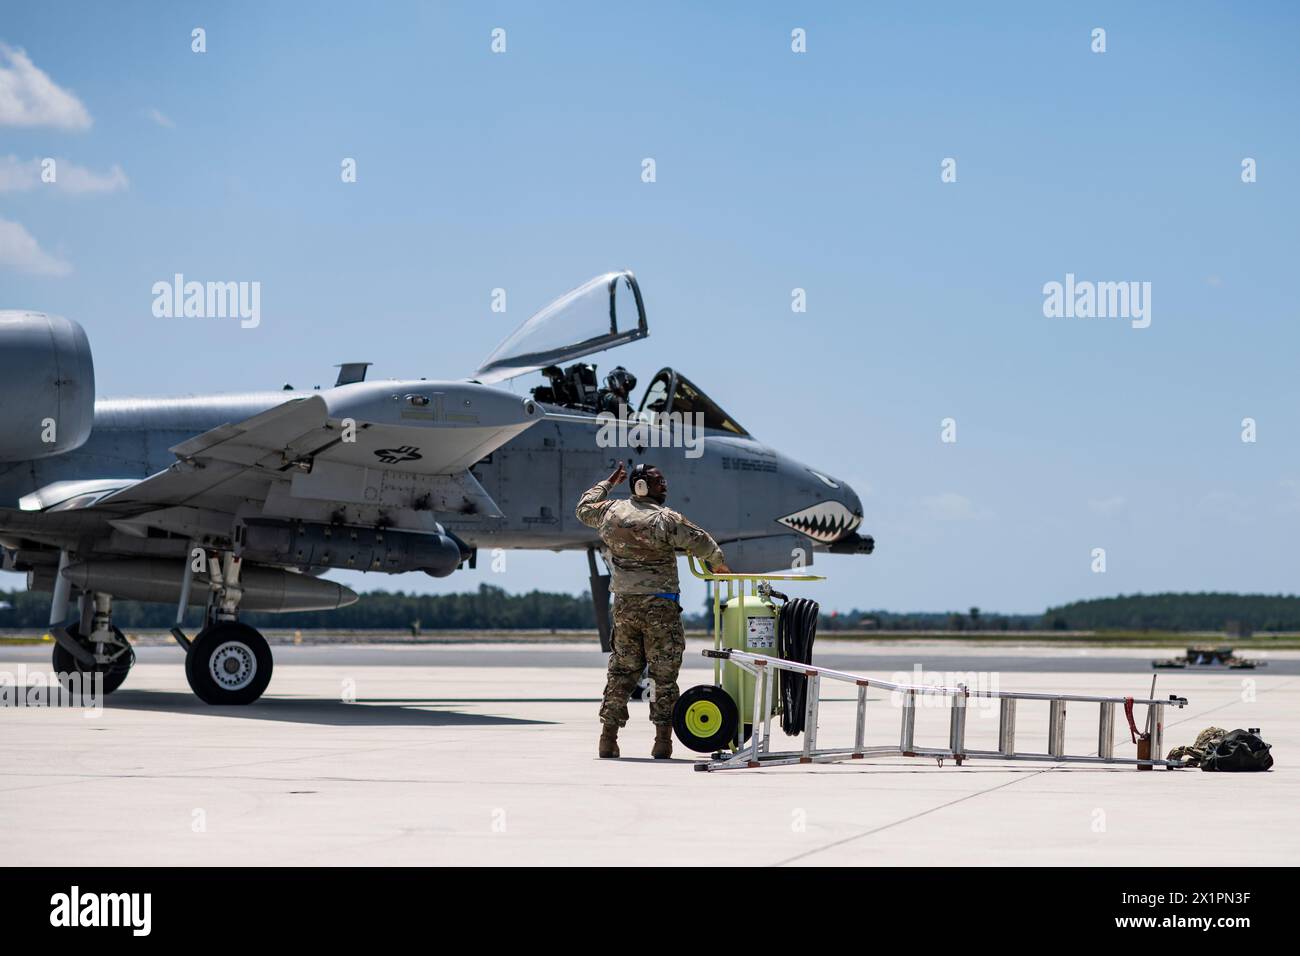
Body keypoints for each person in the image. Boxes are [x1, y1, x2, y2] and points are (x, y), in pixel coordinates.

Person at [575, 460, 730, 759]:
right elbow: (701, 541)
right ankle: (662, 742)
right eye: (659, 482)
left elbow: (583, 508)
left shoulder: (610, 512)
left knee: (621, 671)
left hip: (624, 606)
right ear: (643, 486)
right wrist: (718, 563)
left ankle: (608, 739)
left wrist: (607, 483)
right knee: (663, 676)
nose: (665, 486)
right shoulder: (666, 520)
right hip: (661, 608)